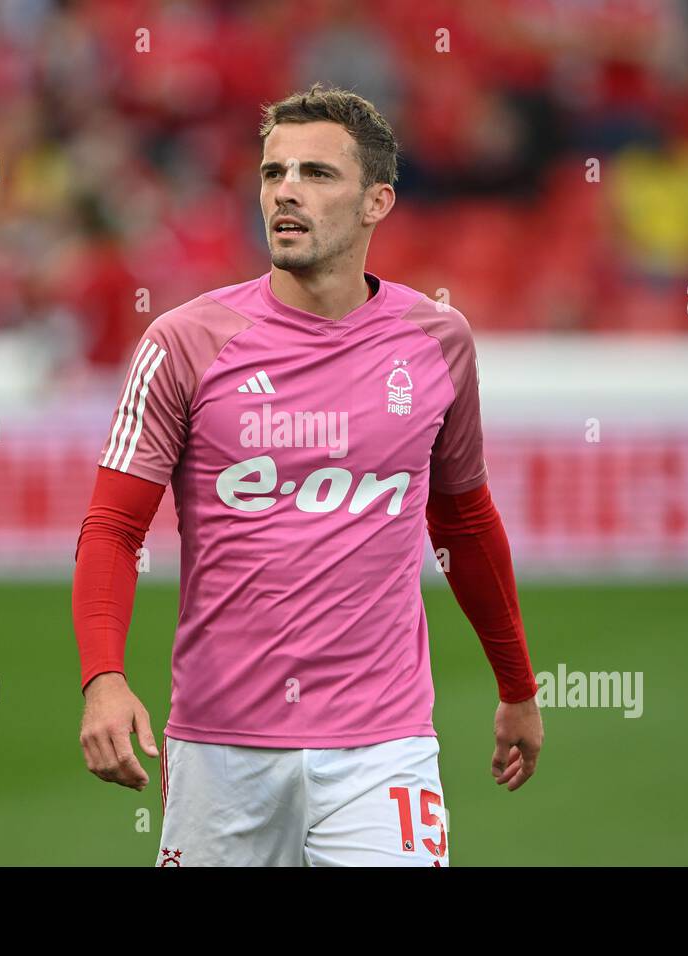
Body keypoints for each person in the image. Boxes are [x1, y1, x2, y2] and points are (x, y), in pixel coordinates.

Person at [73, 84, 541, 867]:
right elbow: (113, 528)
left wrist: (518, 686)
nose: (286, 189)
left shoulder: (437, 342)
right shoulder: (185, 342)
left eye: (318, 174)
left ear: (376, 202)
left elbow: (463, 521)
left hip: (383, 746)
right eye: (272, 171)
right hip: (220, 750)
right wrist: (103, 679)